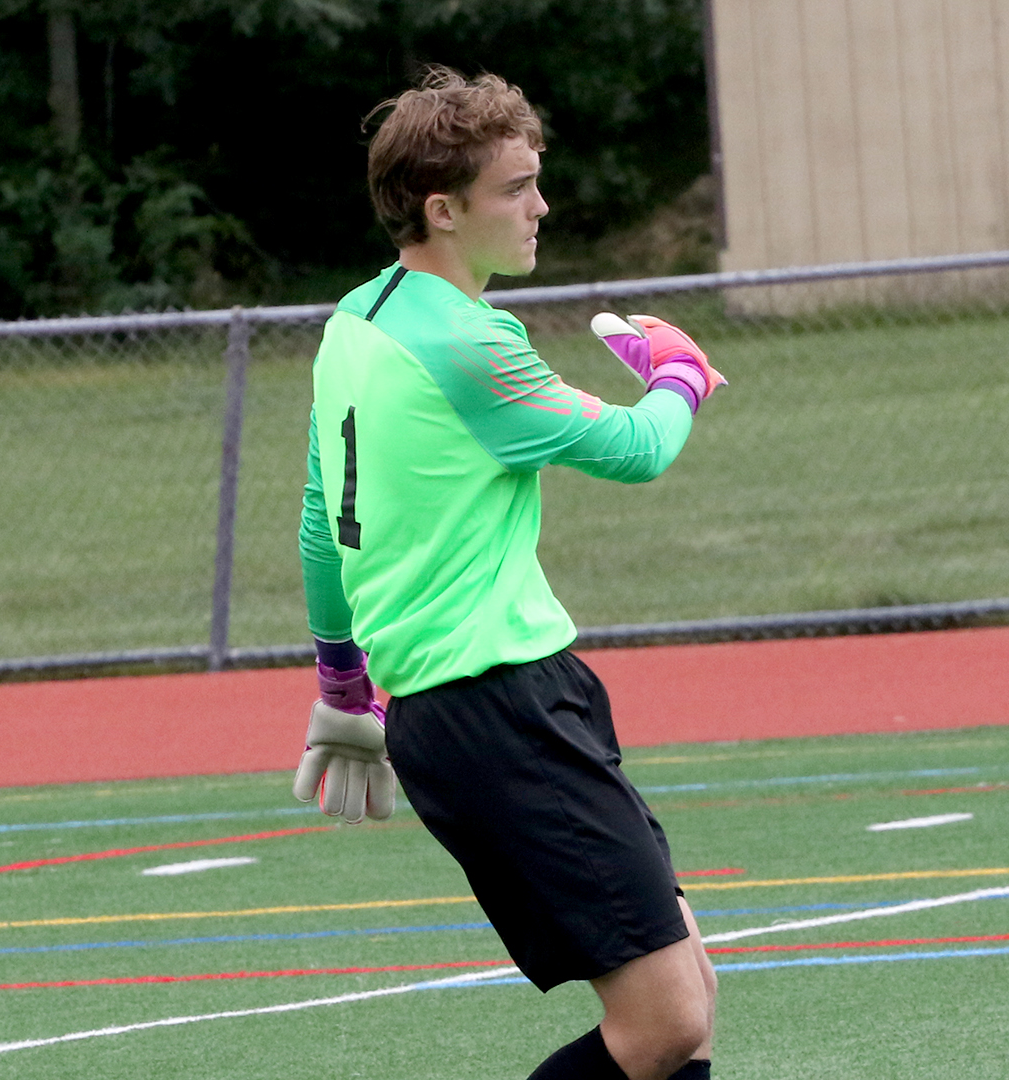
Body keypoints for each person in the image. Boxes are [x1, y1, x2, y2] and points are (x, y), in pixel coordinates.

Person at [292, 66, 724, 1080]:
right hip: (498, 708)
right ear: (443, 209)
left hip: (478, 704)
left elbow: (322, 521)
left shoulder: (356, 319)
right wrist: (681, 375)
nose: (541, 207)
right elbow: (636, 450)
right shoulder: (469, 344)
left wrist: (343, 683)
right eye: (516, 188)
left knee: (688, 1004)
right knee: (664, 1023)